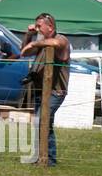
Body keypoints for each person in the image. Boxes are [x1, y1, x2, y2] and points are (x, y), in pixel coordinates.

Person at [19, 13, 71, 166]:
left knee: (41, 121)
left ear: (50, 26)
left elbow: (56, 43)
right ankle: (44, 158)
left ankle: (47, 160)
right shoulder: (42, 42)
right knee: (42, 123)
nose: (38, 29)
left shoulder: (62, 39)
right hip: (41, 90)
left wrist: (34, 44)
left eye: (39, 26)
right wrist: (29, 35)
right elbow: (24, 51)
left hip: (56, 91)